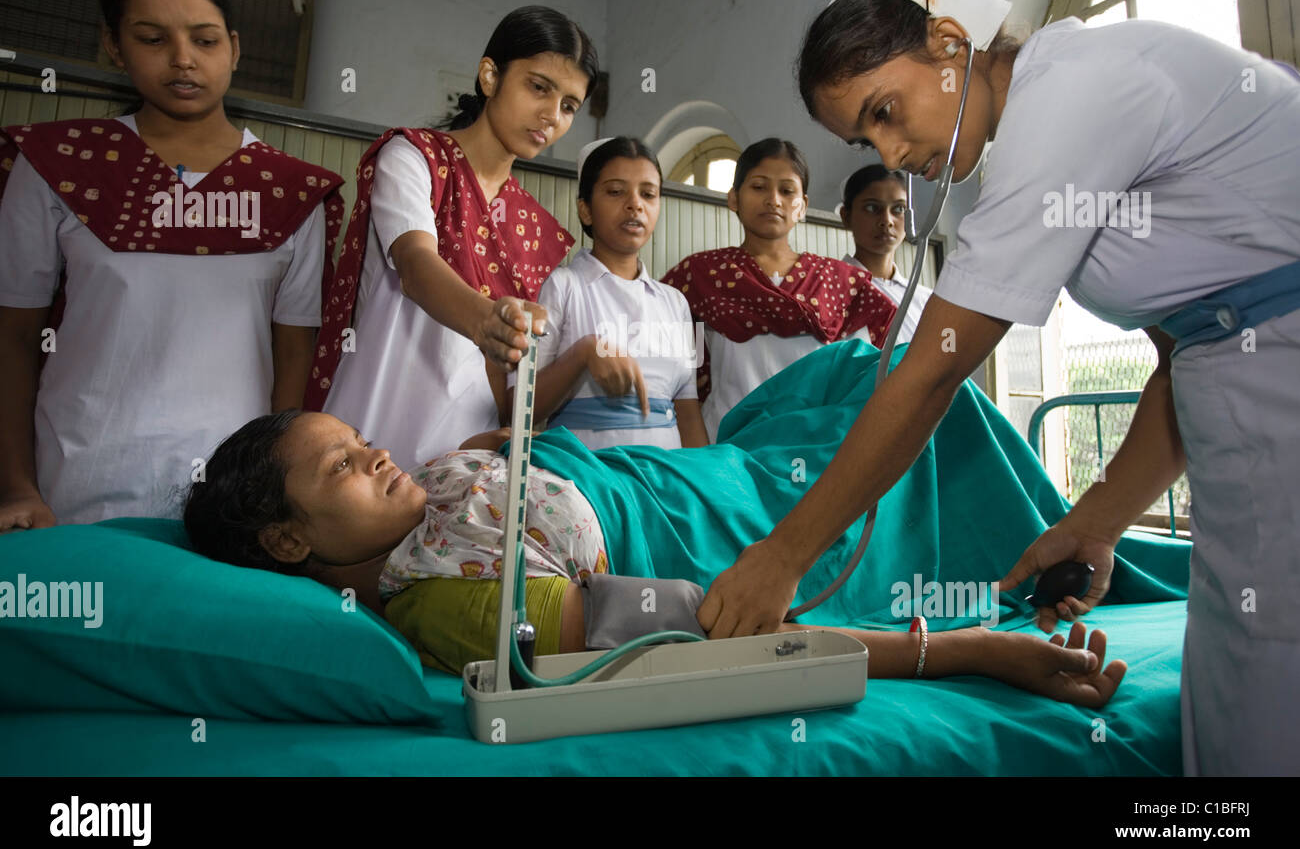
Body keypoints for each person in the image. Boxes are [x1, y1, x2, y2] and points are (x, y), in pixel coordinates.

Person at [698, 0, 1300, 775]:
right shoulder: (1046, 133)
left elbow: (937, 365)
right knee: (1240, 699)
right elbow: (1183, 353)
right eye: (867, 144)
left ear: (950, 43)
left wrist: (783, 556)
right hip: (1244, 400)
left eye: (885, 113)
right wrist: (1095, 525)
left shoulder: (1070, 94)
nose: (892, 155)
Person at [181, 401, 1126, 707]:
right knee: (920, 431)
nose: (375, 452)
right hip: (686, 521)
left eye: (360, 435)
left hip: (652, 467)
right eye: (343, 464)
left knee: (851, 380)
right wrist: (959, 652)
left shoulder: (423, 496)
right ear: (288, 541)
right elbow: (707, 630)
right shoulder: (449, 598)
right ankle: (1036, 564)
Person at [0, 0, 344, 528]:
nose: (183, 59)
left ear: (234, 49)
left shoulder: (292, 193)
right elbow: (12, 337)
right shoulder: (59, 164)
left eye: (205, 40)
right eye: (152, 39)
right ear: (113, 45)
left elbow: (294, 359)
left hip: (229, 501)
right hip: (75, 484)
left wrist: (273, 499)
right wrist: (16, 487)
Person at [321, 6, 598, 471]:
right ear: (490, 76)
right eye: (538, 87)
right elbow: (415, 265)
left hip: (467, 446)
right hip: (377, 421)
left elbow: (504, 367)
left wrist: (508, 427)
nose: (552, 115)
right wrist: (488, 319)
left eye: (569, 106)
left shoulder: (533, 225)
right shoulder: (414, 158)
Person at [662, 138, 896, 440]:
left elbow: (870, 379)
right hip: (726, 452)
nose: (773, 199)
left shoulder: (842, 284)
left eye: (787, 191)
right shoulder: (699, 277)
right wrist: (698, 457)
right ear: (734, 198)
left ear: (803, 207)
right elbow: (679, 381)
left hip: (814, 452)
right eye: (759, 187)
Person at [522, 136, 707, 450]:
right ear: (586, 210)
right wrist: (583, 354)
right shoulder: (561, 286)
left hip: (664, 477)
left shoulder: (676, 302)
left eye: (648, 194)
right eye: (615, 191)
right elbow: (520, 408)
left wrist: (704, 485)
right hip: (584, 476)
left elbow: (688, 413)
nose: (635, 204)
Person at [839, 164, 932, 342]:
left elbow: (945, 353)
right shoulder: (827, 291)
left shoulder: (926, 301)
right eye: (872, 208)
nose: (887, 221)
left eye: (898, 209)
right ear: (846, 216)